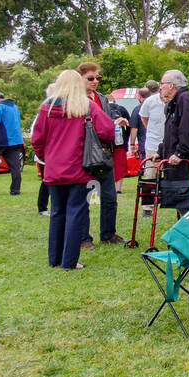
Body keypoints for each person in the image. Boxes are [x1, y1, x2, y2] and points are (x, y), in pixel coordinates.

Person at [31, 69, 114, 270]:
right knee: (76, 212)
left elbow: (37, 140)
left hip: (54, 169)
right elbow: (108, 130)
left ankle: (55, 258)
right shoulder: (86, 106)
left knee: (57, 213)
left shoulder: (46, 108)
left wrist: (47, 158)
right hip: (79, 168)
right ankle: (69, 261)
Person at [147, 69, 189, 215]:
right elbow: (172, 133)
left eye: (162, 84)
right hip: (181, 167)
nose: (160, 87)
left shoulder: (185, 99)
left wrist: (180, 152)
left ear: (171, 85)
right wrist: (161, 152)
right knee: (184, 206)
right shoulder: (176, 102)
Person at [77, 61, 125, 248]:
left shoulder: (102, 99)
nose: (95, 81)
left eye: (98, 77)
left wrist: (115, 122)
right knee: (85, 198)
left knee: (109, 196)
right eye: (90, 78)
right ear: (79, 78)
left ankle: (108, 233)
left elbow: (103, 121)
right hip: (83, 154)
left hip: (103, 153)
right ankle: (83, 238)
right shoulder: (74, 99)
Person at [138, 80, 164, 218]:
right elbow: (143, 117)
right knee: (150, 174)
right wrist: (152, 131)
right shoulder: (150, 102)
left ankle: (175, 202)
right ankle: (147, 207)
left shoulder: (175, 101)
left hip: (170, 143)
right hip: (153, 144)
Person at [31, 83, 57, 216]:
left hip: (50, 153)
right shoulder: (44, 112)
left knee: (49, 182)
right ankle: (42, 207)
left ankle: (49, 206)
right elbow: (35, 136)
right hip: (45, 154)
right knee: (46, 182)